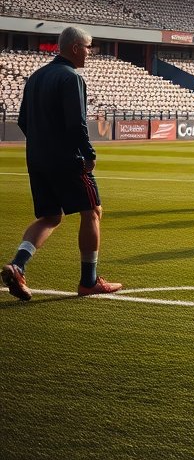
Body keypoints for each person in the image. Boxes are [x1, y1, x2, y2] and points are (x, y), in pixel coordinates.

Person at [2, 26, 122, 301]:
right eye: (89, 47)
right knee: (92, 211)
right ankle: (89, 281)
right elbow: (76, 123)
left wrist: (43, 144)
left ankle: (17, 265)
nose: (91, 53)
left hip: (37, 159)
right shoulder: (71, 78)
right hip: (67, 160)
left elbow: (22, 120)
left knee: (50, 216)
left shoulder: (35, 77)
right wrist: (88, 153)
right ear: (75, 48)